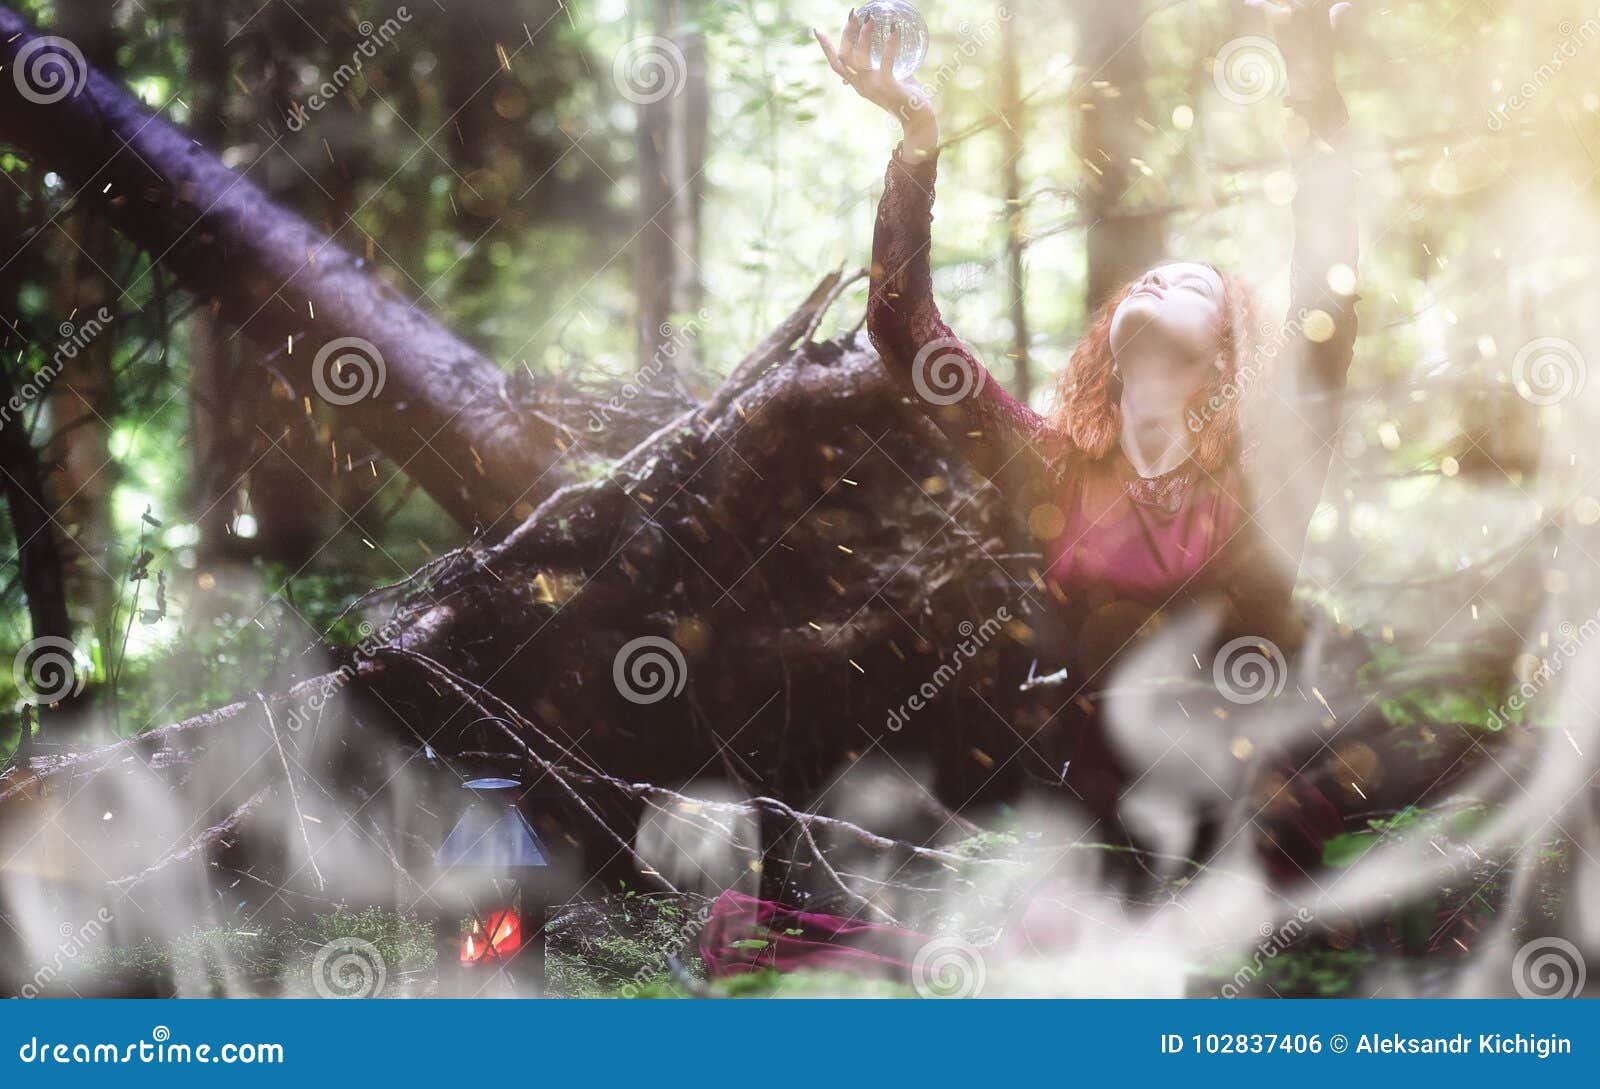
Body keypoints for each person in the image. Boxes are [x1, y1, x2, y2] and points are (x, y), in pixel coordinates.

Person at [701, 1, 1361, 981]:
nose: (1154, 283)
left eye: (1187, 283)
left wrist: (1310, 68)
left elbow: (1330, 282)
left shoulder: (1269, 467)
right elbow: (903, 329)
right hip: (1102, 819)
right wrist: (917, 141)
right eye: (1146, 281)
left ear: (1225, 355)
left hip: (1251, 810)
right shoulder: (1051, 464)